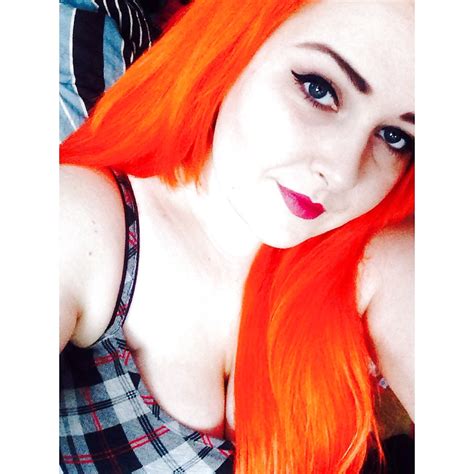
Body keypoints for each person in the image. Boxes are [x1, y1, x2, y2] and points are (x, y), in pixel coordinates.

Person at [59, 0, 414, 472]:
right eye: (319, 89)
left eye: (395, 136)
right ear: (234, 44)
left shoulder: (379, 262)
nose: (344, 172)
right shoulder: (81, 221)